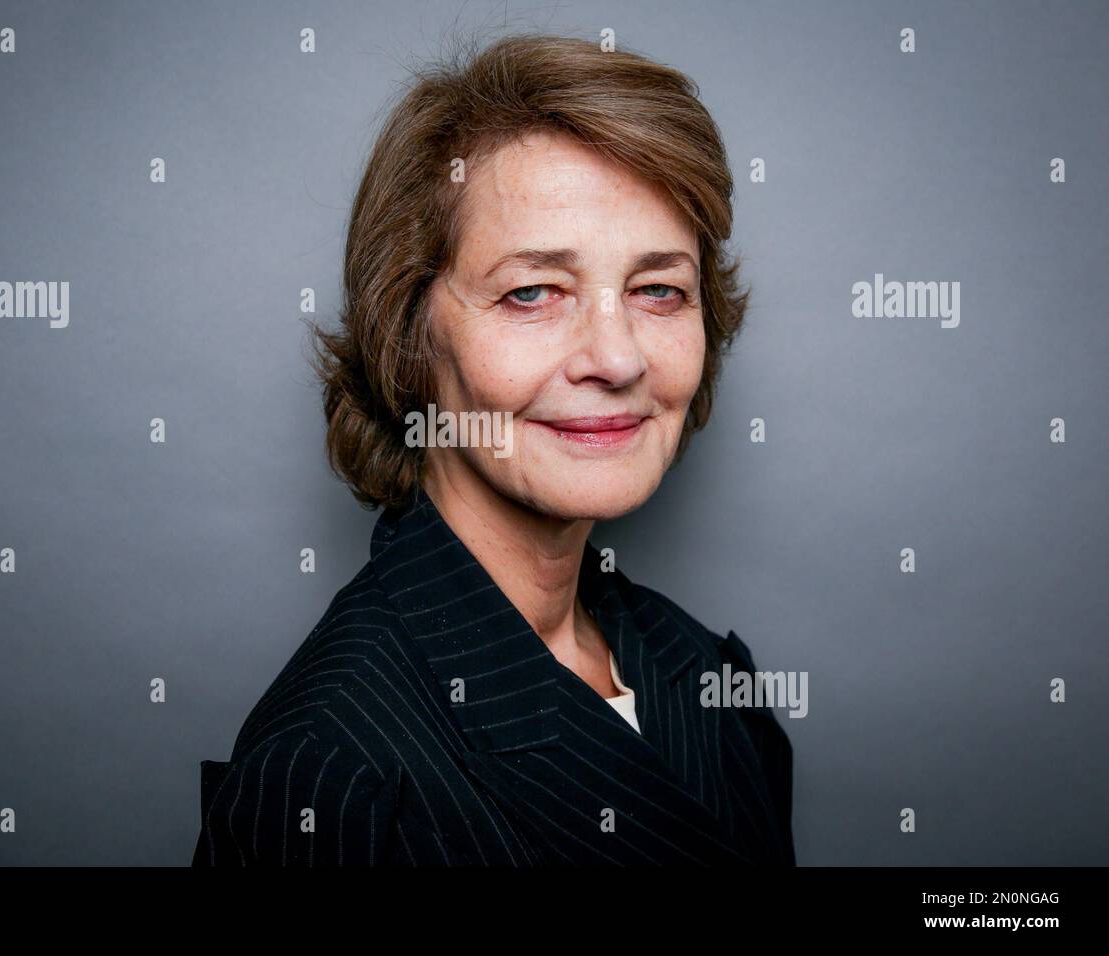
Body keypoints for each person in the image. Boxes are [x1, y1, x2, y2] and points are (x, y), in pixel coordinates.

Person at [193, 32, 795, 866]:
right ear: (408, 333)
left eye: (660, 289)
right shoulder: (333, 775)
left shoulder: (708, 678)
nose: (617, 359)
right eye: (533, 293)